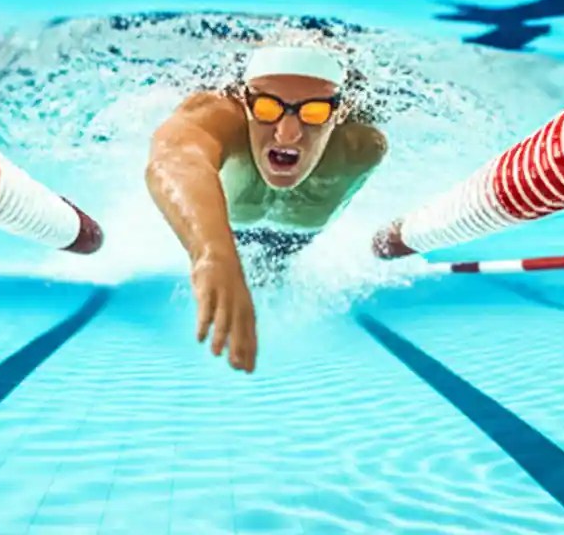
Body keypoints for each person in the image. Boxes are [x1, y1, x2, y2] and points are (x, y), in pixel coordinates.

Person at [146, 45, 388, 373]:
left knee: (270, 283)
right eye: (267, 107)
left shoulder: (361, 147)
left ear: (339, 113)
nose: (287, 134)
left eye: (314, 112)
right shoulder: (220, 117)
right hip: (229, 234)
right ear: (245, 102)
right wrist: (211, 253)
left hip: (294, 241)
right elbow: (176, 159)